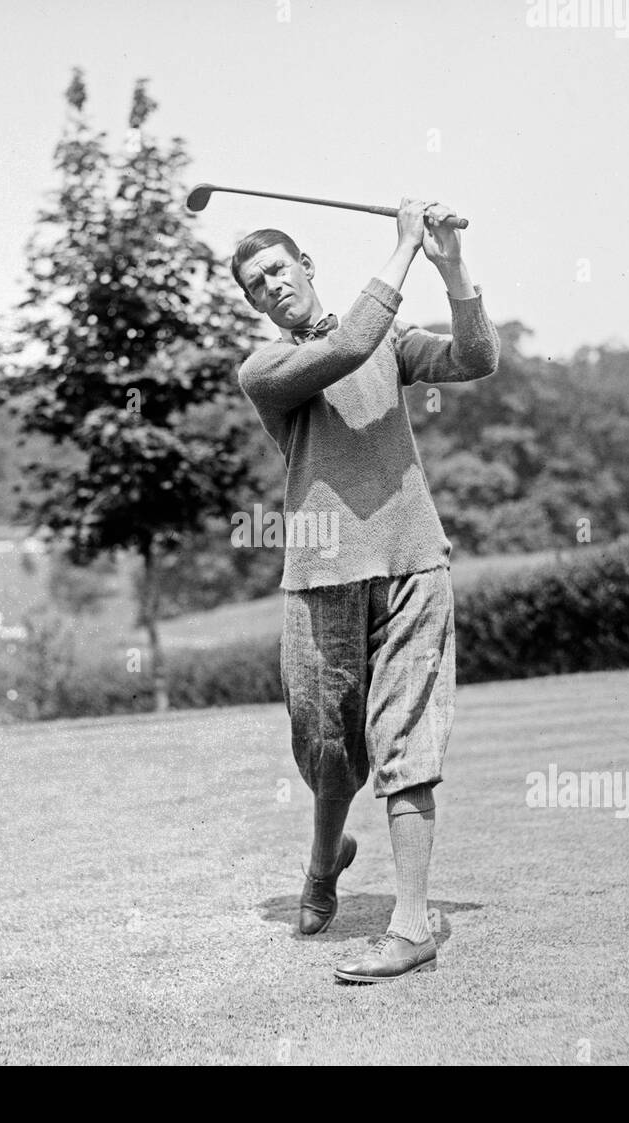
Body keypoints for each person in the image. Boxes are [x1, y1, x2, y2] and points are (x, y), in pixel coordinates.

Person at [233, 198, 501, 982]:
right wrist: (405, 247)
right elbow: (350, 341)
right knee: (327, 749)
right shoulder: (267, 370)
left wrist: (451, 267)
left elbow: (476, 358)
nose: (271, 288)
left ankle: (411, 923)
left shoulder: (386, 337)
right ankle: (326, 858)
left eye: (278, 269)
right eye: (255, 286)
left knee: (406, 740)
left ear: (307, 265)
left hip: (415, 561)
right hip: (322, 577)